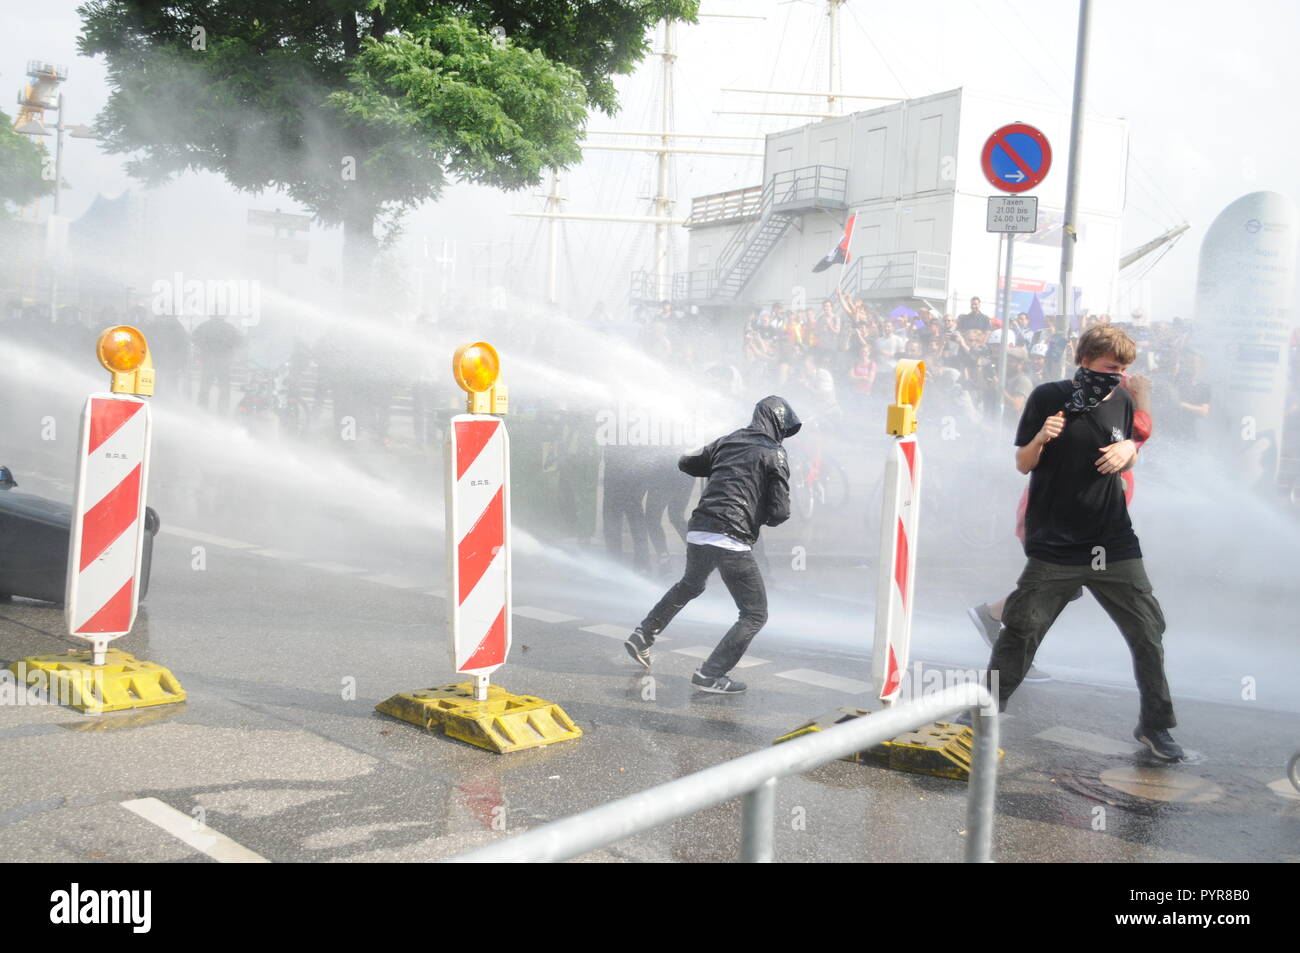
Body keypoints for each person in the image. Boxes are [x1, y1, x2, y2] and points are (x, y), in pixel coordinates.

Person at [972, 325, 1183, 760]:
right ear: (1085, 360)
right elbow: (1022, 463)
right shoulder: (1047, 396)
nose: (1119, 375)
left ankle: (1155, 726)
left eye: (1124, 368)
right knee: (1022, 630)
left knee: (1148, 631)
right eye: (1111, 367)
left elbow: (1130, 446)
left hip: (1113, 539)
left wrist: (1130, 451)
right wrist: (1040, 438)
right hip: (1056, 541)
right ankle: (984, 712)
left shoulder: (1123, 400)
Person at [624, 396, 801, 694]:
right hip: (732, 538)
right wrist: (764, 516)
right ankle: (710, 674)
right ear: (778, 423)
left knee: (691, 585)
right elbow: (780, 512)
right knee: (754, 614)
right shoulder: (775, 453)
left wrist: (722, 464)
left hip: (699, 531)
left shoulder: (728, 441)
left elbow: (687, 463)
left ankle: (644, 634)